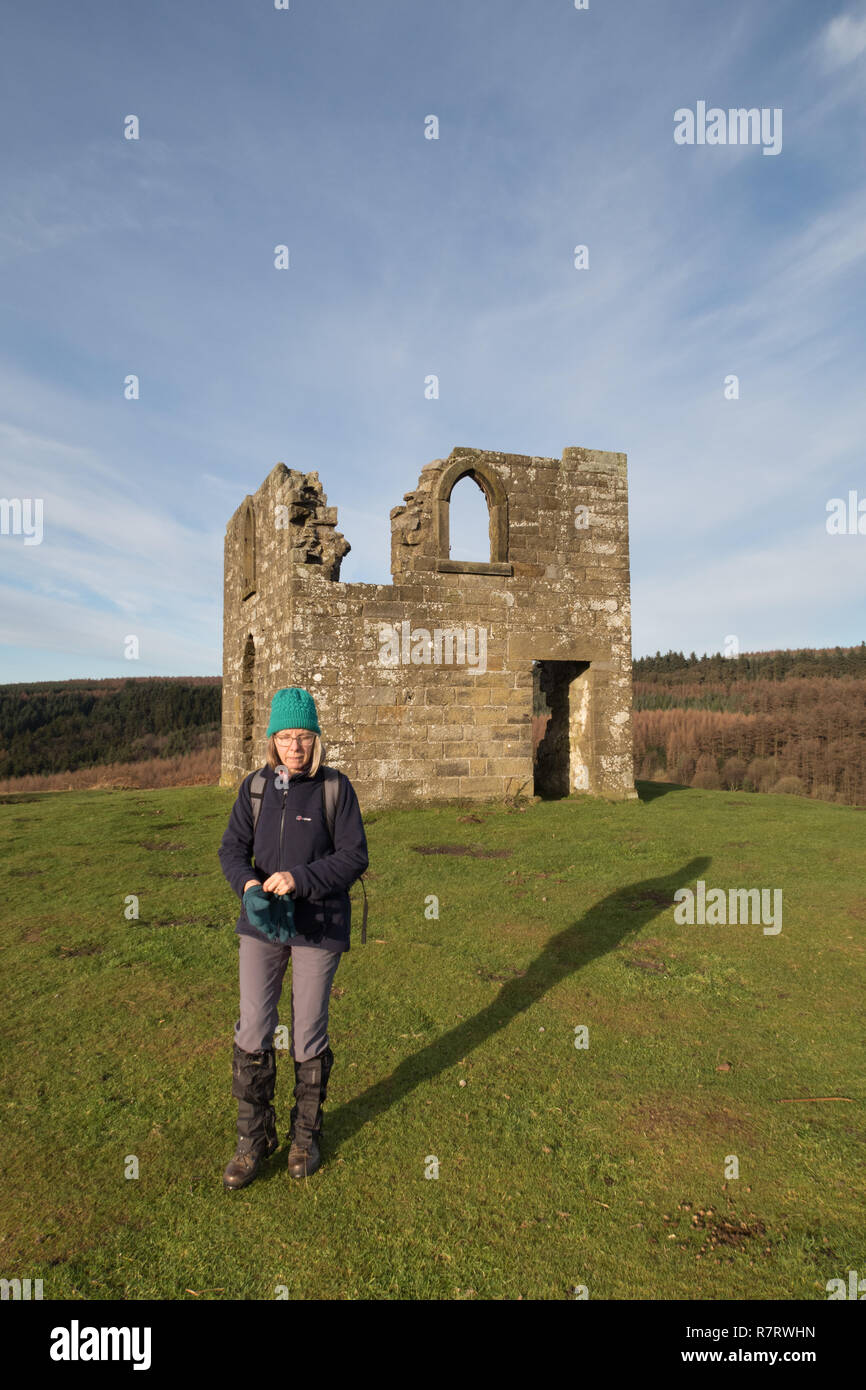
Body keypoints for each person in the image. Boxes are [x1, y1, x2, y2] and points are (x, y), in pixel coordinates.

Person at [217, 687, 368, 1188]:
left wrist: (300, 879)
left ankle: (306, 1136)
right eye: (284, 737)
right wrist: (249, 883)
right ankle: (253, 1139)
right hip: (262, 922)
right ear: (272, 740)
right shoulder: (255, 788)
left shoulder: (335, 789)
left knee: (307, 1031)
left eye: (303, 737)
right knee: (254, 1027)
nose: (294, 748)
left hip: (317, 923)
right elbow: (231, 849)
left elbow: (353, 857)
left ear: (316, 739)